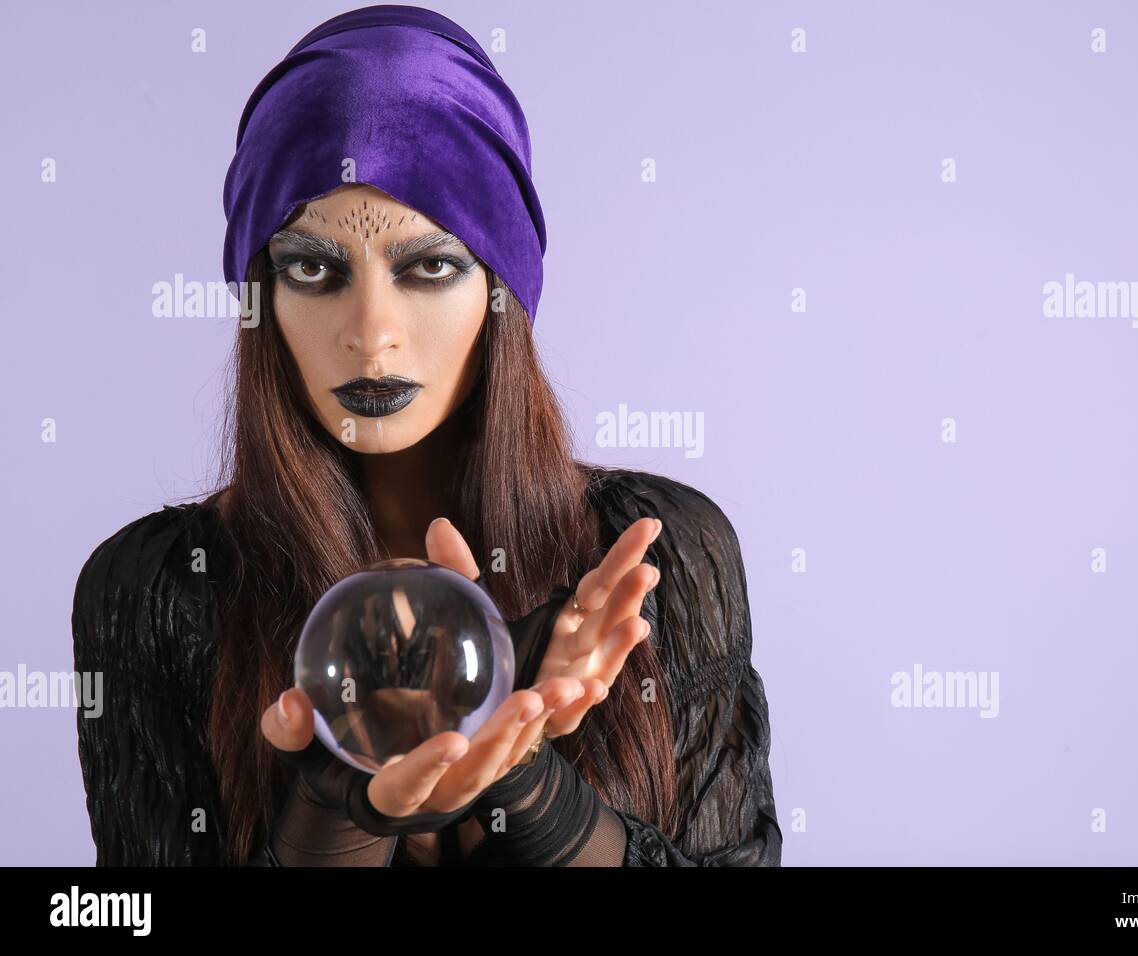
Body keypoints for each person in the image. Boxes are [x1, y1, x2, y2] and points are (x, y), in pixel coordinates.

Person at [71, 4, 781, 867]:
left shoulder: (655, 565)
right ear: (263, 299)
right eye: (311, 268)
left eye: (430, 266)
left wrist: (527, 782)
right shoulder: (153, 590)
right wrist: (334, 814)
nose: (373, 333)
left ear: (500, 289)